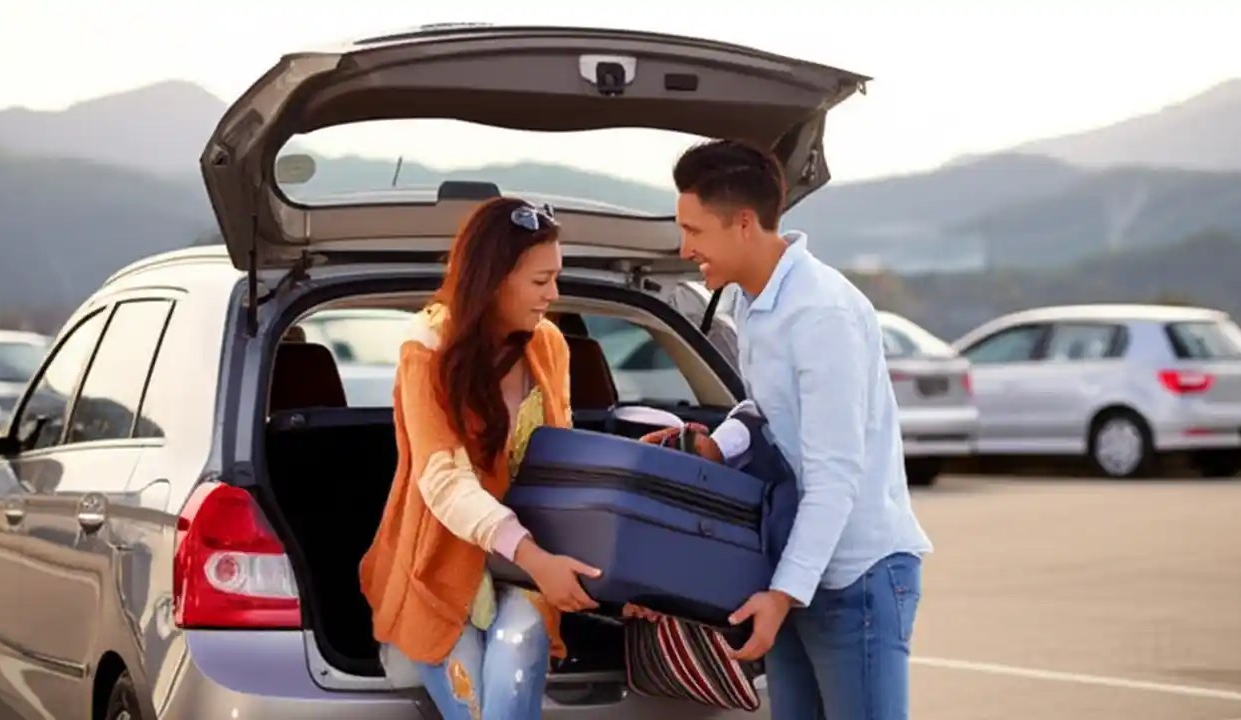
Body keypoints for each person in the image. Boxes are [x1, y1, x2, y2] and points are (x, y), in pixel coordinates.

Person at [644, 139, 934, 720]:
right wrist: (714, 445)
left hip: (857, 579)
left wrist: (780, 596)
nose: (686, 247)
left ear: (743, 223)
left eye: (694, 229)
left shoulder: (820, 313)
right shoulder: (754, 303)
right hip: (798, 571)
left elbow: (834, 477)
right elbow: (766, 410)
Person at [359, 196, 612, 719]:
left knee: (519, 649)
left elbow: (558, 465)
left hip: (524, 567)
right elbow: (443, 480)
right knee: (476, 704)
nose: (554, 295)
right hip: (439, 569)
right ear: (495, 279)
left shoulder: (550, 346)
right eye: (540, 282)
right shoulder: (427, 346)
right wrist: (535, 557)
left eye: (556, 278)